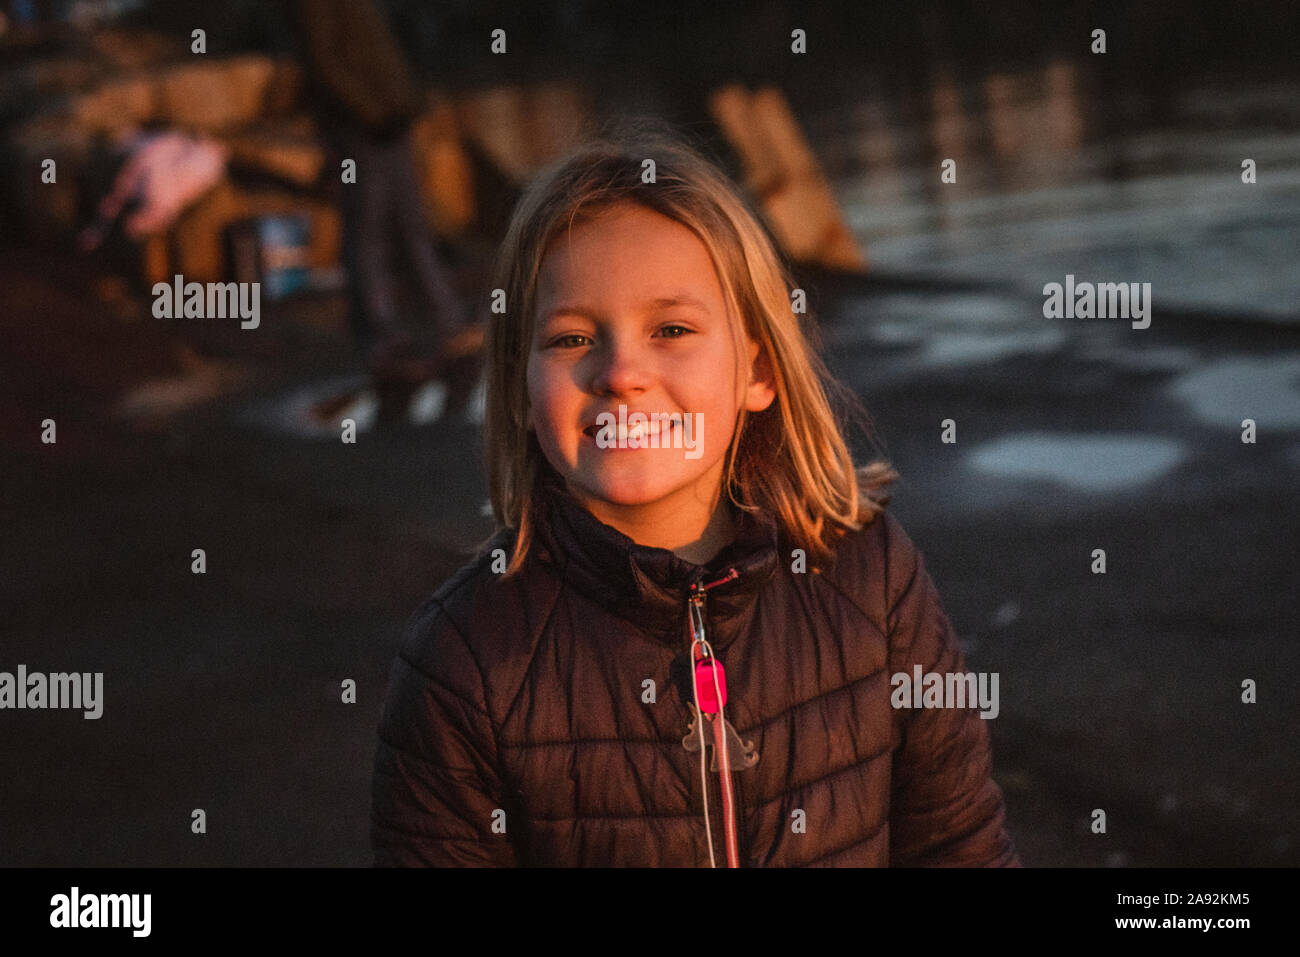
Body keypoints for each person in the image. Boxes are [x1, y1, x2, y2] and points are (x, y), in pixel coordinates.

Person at [371, 125, 1020, 867]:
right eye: (572, 339)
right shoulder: (465, 659)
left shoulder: (871, 579)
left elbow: (958, 844)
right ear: (517, 387)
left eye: (671, 328)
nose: (621, 373)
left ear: (759, 371)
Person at [290, 0, 483, 383]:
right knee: (366, 230)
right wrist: (371, 112)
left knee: (413, 224)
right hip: (359, 127)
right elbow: (325, 62)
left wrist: (403, 104)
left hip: (390, 120)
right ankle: (380, 335)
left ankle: (447, 321)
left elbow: (380, 52)